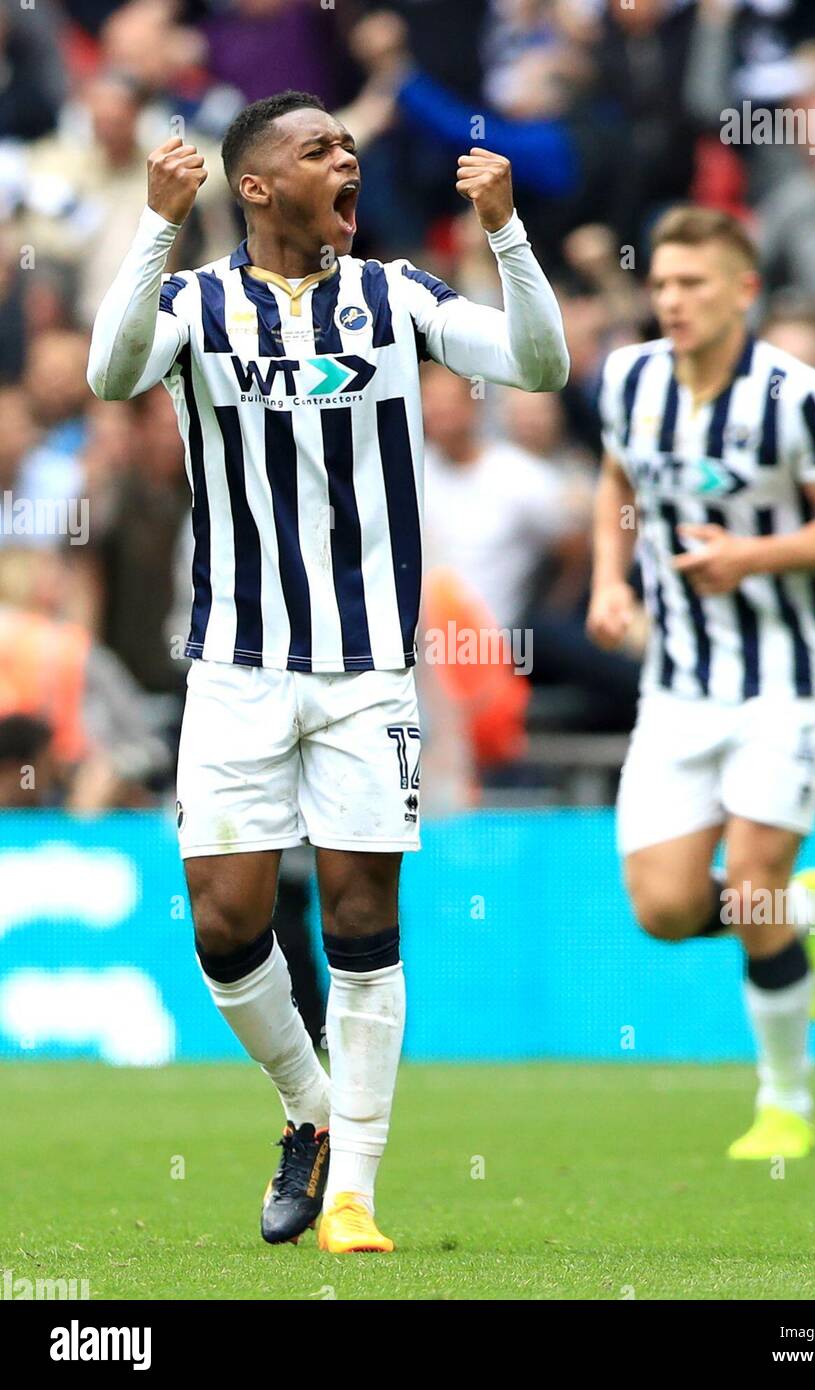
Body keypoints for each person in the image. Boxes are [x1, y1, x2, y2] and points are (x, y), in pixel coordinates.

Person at [87, 88, 568, 1252]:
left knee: (361, 913)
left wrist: (507, 234)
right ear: (257, 187)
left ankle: (353, 1185)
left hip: (367, 669)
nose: (346, 158)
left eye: (348, 146)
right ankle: (305, 1106)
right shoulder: (199, 304)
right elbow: (110, 374)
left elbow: (537, 367)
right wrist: (157, 227)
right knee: (223, 920)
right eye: (319, 149)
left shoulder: (396, 294)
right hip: (237, 663)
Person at [588, 206, 815, 1161]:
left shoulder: (795, 395)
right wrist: (607, 578)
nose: (671, 301)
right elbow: (615, 481)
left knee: (751, 879)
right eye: (663, 284)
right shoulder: (630, 379)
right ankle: (811, 910)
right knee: (666, 911)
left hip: (783, 682)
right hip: (676, 686)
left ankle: (783, 1103)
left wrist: (752, 556)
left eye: (693, 285)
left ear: (742, 291)